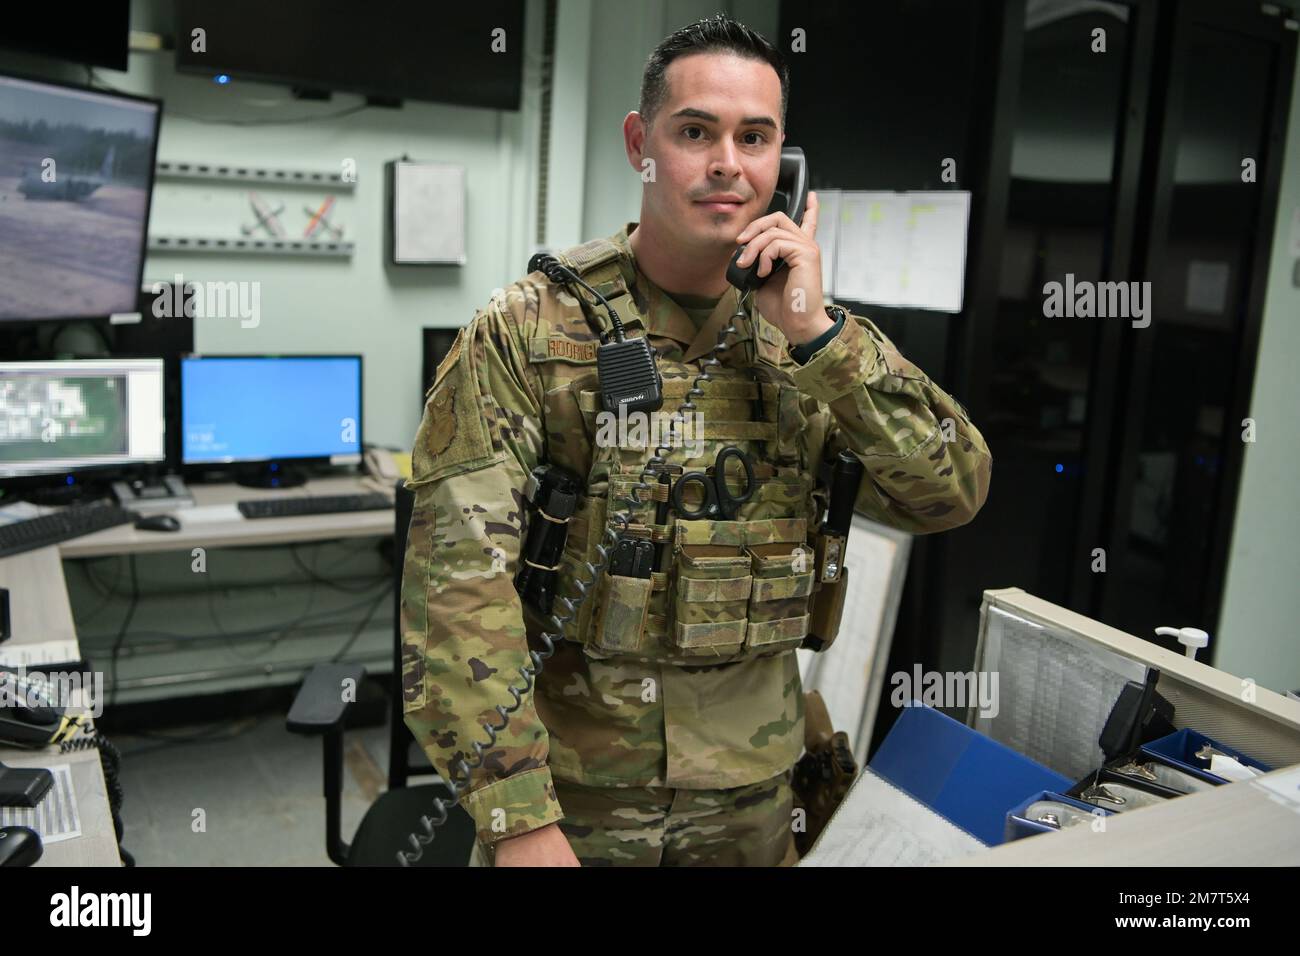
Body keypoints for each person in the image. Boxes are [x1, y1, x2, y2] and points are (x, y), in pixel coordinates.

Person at [401, 14, 991, 867]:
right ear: (642, 143)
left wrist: (819, 339)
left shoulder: (815, 339)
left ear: (784, 160)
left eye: (755, 137)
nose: (728, 164)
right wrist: (518, 821)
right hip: (574, 805)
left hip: (758, 802)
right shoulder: (528, 330)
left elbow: (952, 493)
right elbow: (456, 591)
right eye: (695, 132)